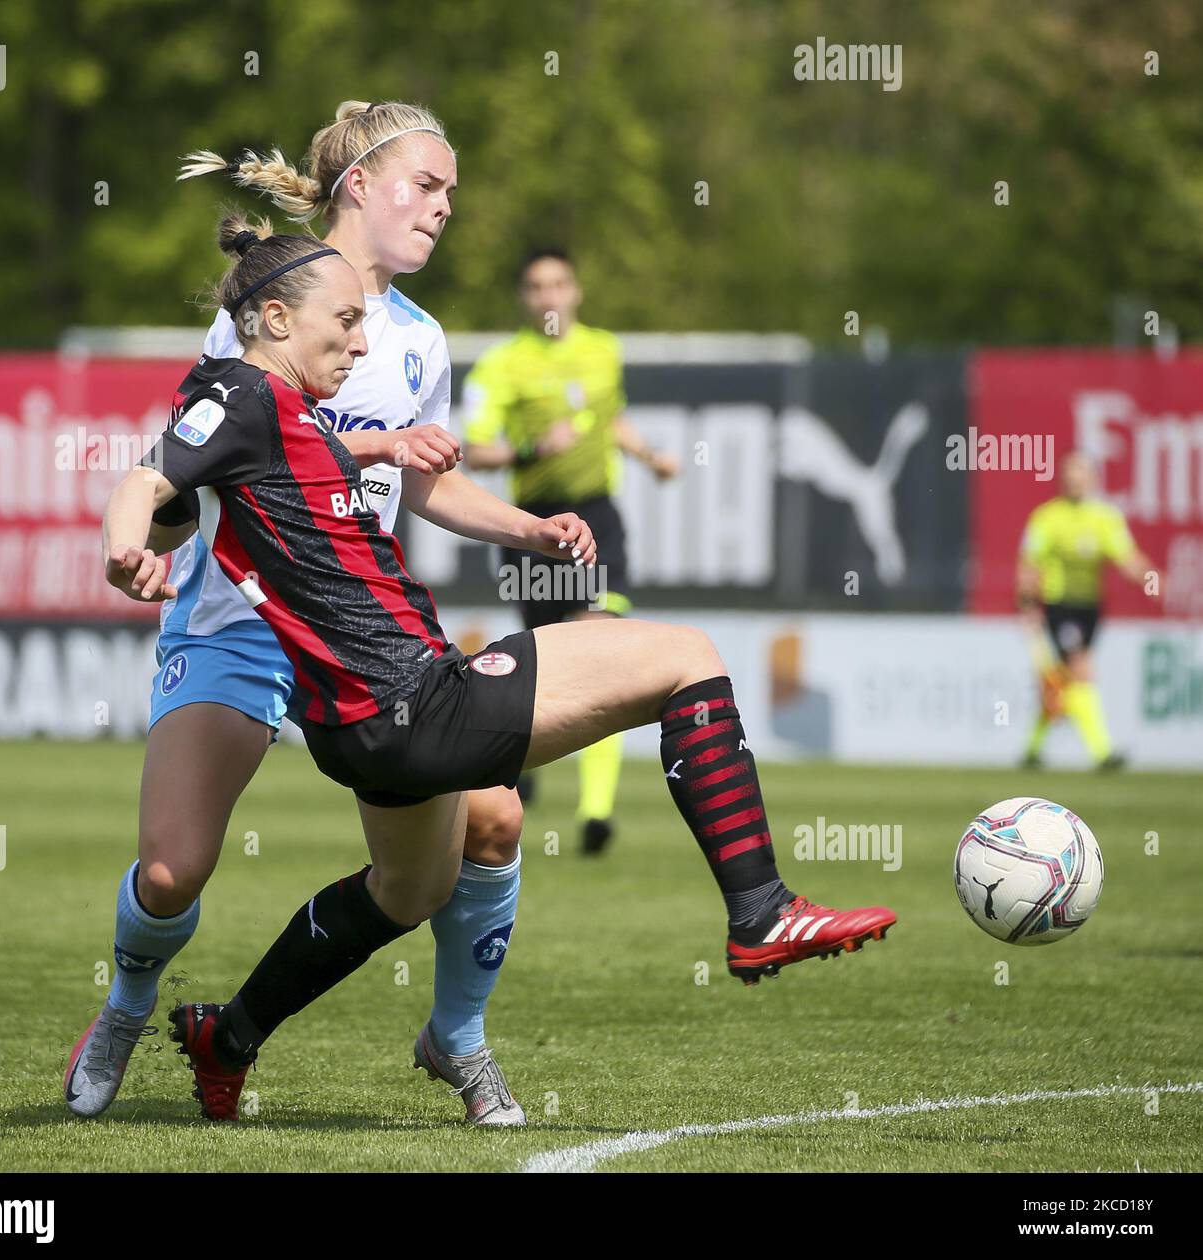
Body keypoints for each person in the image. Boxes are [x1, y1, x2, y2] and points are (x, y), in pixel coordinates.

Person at [104, 217, 897, 1122]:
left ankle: (229, 1036)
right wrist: (124, 550)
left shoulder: (289, 413)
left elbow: (290, 468)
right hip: (410, 699)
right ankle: (761, 910)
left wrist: (518, 521)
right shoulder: (239, 394)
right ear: (276, 319)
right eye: (345, 322)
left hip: (357, 725)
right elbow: (145, 478)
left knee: (409, 890)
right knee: (689, 657)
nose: (361, 342)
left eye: (366, 324)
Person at [67, 101, 528, 1128]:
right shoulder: (269, 299)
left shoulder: (421, 339)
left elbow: (428, 487)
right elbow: (220, 460)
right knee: (170, 870)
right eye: (428, 184)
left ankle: (456, 1037)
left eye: (453, 192)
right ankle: (128, 1006)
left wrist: (529, 529)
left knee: (494, 817)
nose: (446, 207)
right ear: (359, 184)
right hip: (239, 621)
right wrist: (142, 545)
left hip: (360, 643)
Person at [464, 247, 678, 854]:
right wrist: (533, 447)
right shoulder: (502, 366)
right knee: (542, 663)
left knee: (602, 645)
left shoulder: (604, 350)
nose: (549, 296)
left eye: (559, 283)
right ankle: (520, 765)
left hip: (597, 519)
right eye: (536, 287)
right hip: (531, 528)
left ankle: (596, 812)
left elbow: (609, 419)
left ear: (576, 290)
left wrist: (649, 457)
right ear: (524, 298)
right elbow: (476, 452)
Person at [1016, 451, 1156, 769]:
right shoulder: (1047, 517)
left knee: (1063, 683)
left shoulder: (1105, 518)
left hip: (1090, 609)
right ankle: (1102, 752)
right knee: (1082, 670)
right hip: (1059, 606)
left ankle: (1031, 750)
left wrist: (1153, 579)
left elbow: (1127, 558)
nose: (1074, 478)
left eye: (1081, 472)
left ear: (1092, 479)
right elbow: (1029, 563)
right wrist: (1027, 604)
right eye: (1070, 472)